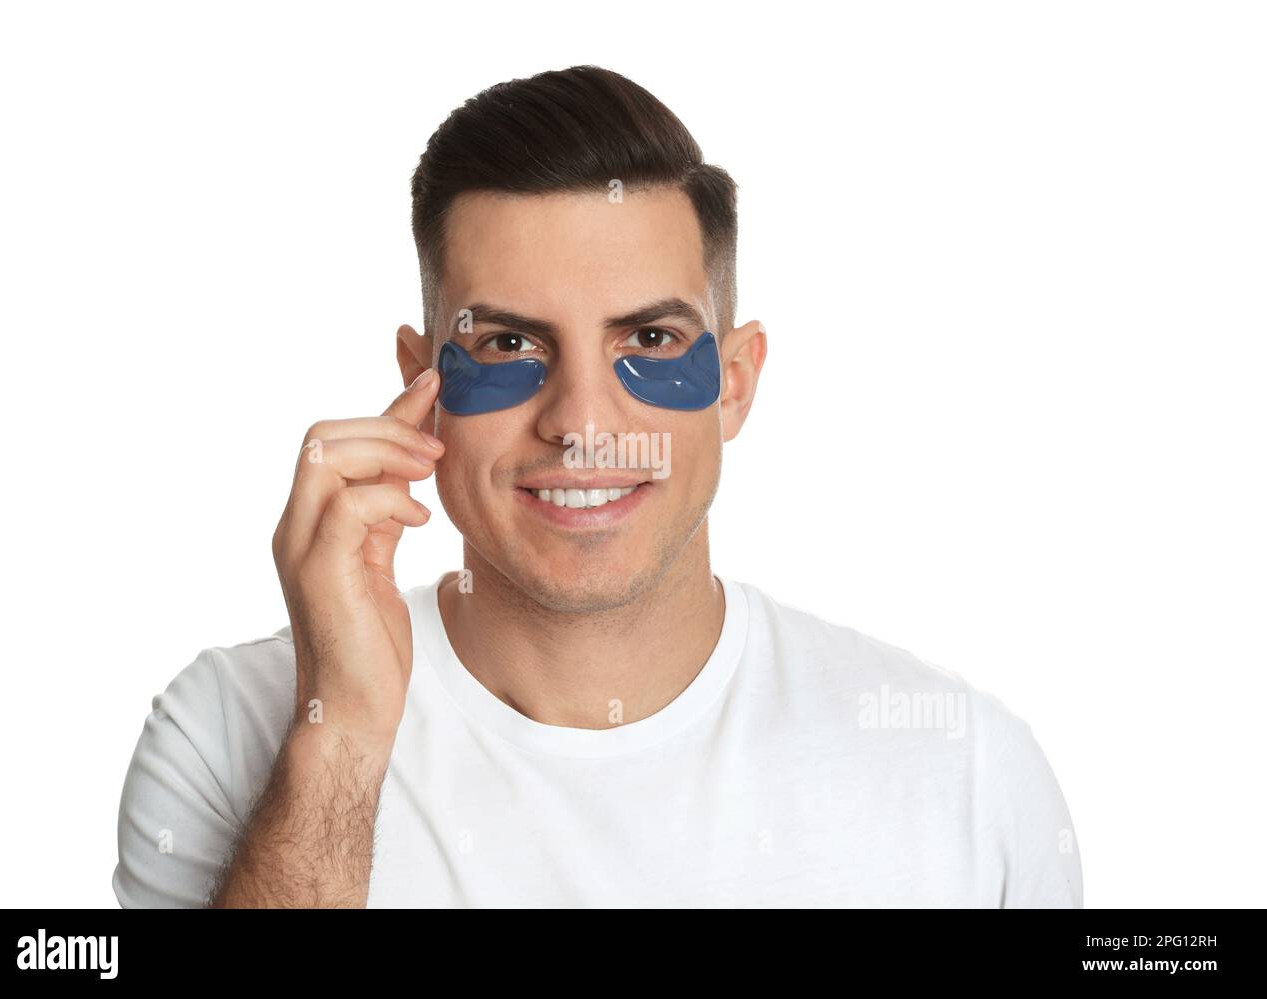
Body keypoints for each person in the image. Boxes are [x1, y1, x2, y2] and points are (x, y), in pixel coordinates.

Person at [112, 64, 1083, 908]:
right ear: (422, 383)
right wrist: (341, 735)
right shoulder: (225, 733)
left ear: (734, 383)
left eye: (650, 341)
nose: (580, 422)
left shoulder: (963, 771)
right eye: (507, 343)